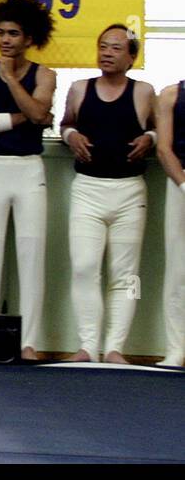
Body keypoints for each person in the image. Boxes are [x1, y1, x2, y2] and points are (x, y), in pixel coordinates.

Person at [61, 24, 156, 363]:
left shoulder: (144, 91)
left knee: (126, 275)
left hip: (130, 192)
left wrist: (151, 139)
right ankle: (88, 346)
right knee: (85, 267)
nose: (107, 53)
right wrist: (71, 136)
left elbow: (158, 130)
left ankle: (115, 347)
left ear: (131, 57)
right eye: (103, 46)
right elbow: (65, 123)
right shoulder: (79, 88)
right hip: (87, 190)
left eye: (116, 48)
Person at [0, 0, 57, 360]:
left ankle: (28, 342)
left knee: (31, 252)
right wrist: (27, 117)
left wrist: (12, 82)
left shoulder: (45, 75)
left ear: (28, 38)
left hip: (28, 169)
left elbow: (41, 108)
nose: (5, 40)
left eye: (14, 33)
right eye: (1, 32)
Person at [154, 79, 185, 367]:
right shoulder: (170, 95)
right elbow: (164, 149)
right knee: (177, 270)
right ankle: (176, 349)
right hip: (180, 184)